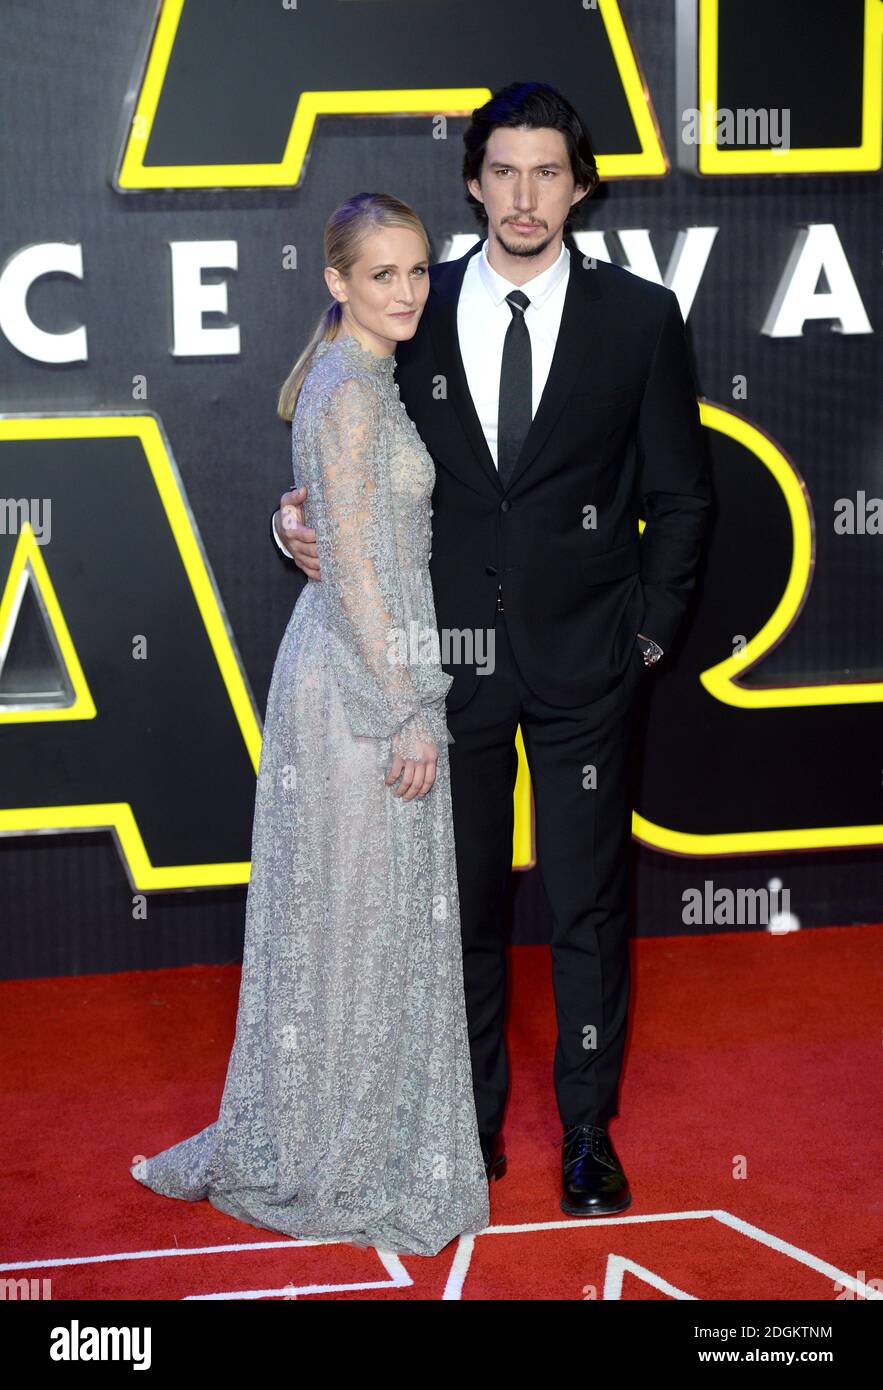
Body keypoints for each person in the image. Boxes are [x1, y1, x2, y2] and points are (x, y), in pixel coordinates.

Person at [272, 82, 711, 1216]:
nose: (525, 195)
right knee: (453, 911)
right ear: (473, 181)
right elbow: (349, 453)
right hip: (440, 665)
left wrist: (648, 637)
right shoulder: (416, 305)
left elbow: (683, 495)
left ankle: (584, 1133)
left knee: (586, 906)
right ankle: (462, 1125)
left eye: (548, 172)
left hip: (587, 667)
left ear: (579, 185)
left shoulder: (637, 319)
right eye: (503, 171)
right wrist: (291, 516)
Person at [131, 192, 490, 1257]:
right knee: (358, 919)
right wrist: (409, 712)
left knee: (361, 921)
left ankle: (354, 1133)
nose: (408, 291)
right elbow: (367, 582)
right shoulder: (347, 392)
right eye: (382, 275)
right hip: (358, 686)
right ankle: (336, 1150)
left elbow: (349, 531)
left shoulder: (357, 377)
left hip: (356, 669)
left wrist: (300, 520)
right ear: (335, 280)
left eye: (418, 270)